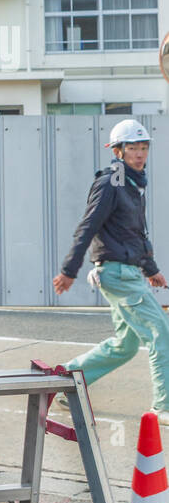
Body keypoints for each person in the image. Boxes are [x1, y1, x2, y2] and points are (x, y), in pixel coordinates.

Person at [53, 119, 169, 422]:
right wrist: (69, 269)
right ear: (118, 151)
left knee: (125, 345)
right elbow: (88, 226)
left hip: (128, 272)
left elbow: (136, 234)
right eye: (133, 148)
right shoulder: (111, 182)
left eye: (143, 148)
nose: (140, 154)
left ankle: (66, 382)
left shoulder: (132, 185)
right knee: (161, 334)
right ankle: (164, 407)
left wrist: (151, 268)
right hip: (118, 274)